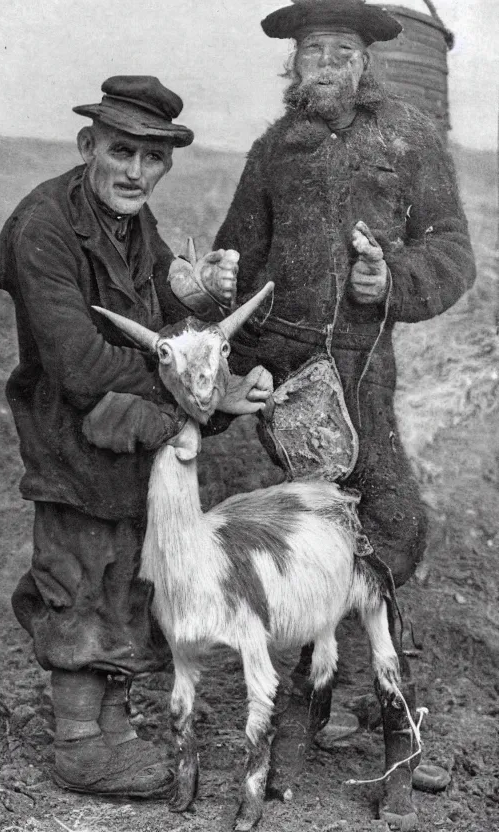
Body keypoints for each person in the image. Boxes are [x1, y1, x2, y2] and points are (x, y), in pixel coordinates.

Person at [213, 0, 475, 824]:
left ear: (367, 62)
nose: (323, 64)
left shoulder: (407, 139)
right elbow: (240, 264)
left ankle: (388, 709)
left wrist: (391, 278)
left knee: (388, 519)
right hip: (289, 383)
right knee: (300, 533)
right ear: (292, 65)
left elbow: (453, 252)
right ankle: (302, 705)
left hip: (364, 372)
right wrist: (227, 320)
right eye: (311, 50)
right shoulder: (273, 152)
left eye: (341, 51)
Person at [0, 75, 271, 798]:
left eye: (154, 158)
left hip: (125, 431)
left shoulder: (128, 221)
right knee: (79, 571)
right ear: (90, 145)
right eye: (122, 152)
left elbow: (159, 297)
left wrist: (200, 296)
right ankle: (80, 744)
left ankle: (113, 730)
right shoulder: (43, 227)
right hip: (68, 432)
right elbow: (79, 365)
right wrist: (189, 384)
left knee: (124, 570)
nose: (137, 172)